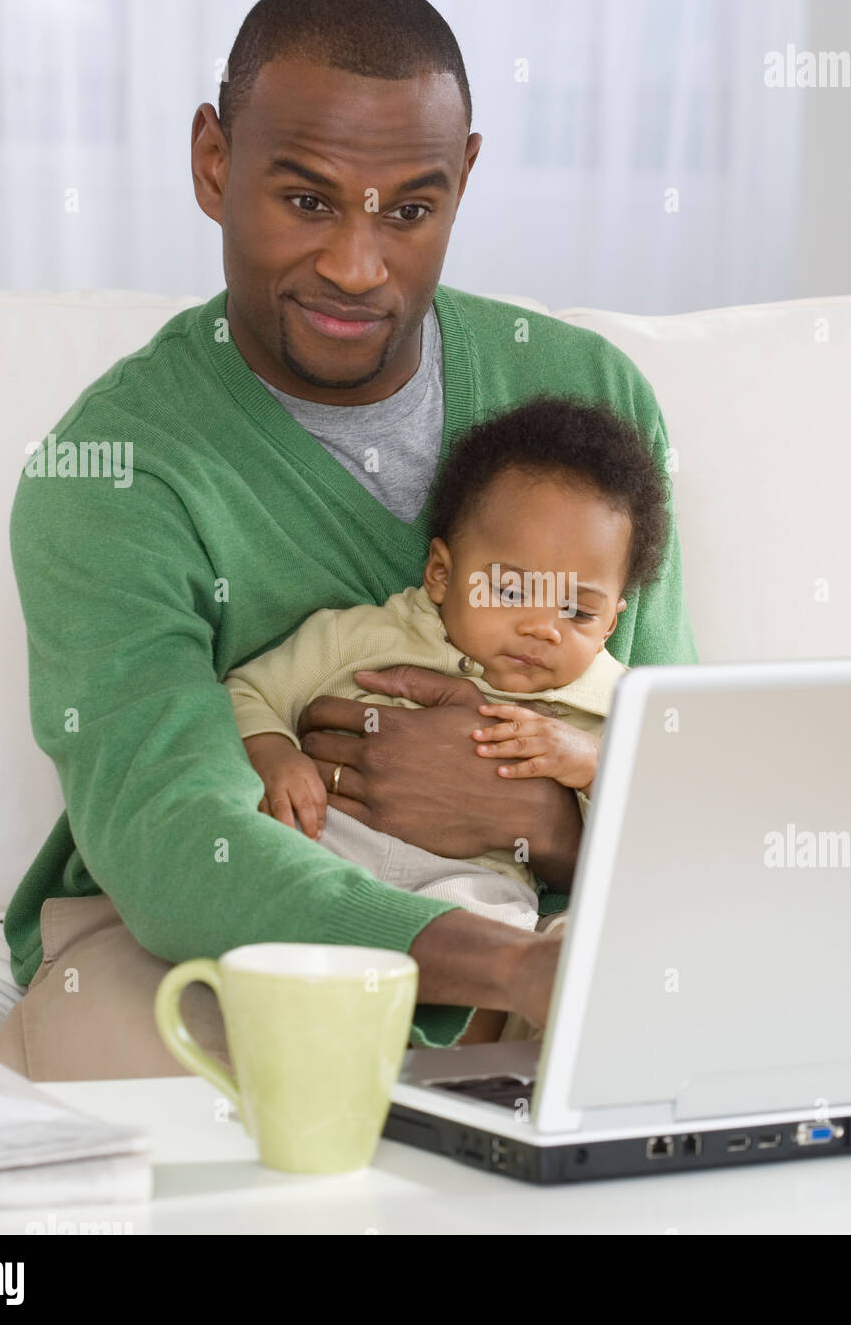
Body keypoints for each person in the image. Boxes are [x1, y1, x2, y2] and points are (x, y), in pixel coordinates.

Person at [0, 0, 695, 1080]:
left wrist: (527, 824)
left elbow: (686, 777)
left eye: (409, 210)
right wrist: (509, 970)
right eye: (307, 200)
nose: (355, 266)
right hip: (213, 930)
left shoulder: (585, 406)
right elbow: (178, 839)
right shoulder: (111, 474)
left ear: (464, 179)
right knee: (170, 1083)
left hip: (535, 905)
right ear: (214, 165)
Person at [226, 397, 671, 1040]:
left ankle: (445, 1078)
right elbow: (248, 692)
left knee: (515, 949)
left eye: (577, 611)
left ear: (612, 621)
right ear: (441, 573)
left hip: (472, 884)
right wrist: (273, 753)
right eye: (511, 591)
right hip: (333, 840)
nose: (541, 627)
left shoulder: (619, 705)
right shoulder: (361, 639)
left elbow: (660, 829)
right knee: (277, 878)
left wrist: (590, 764)